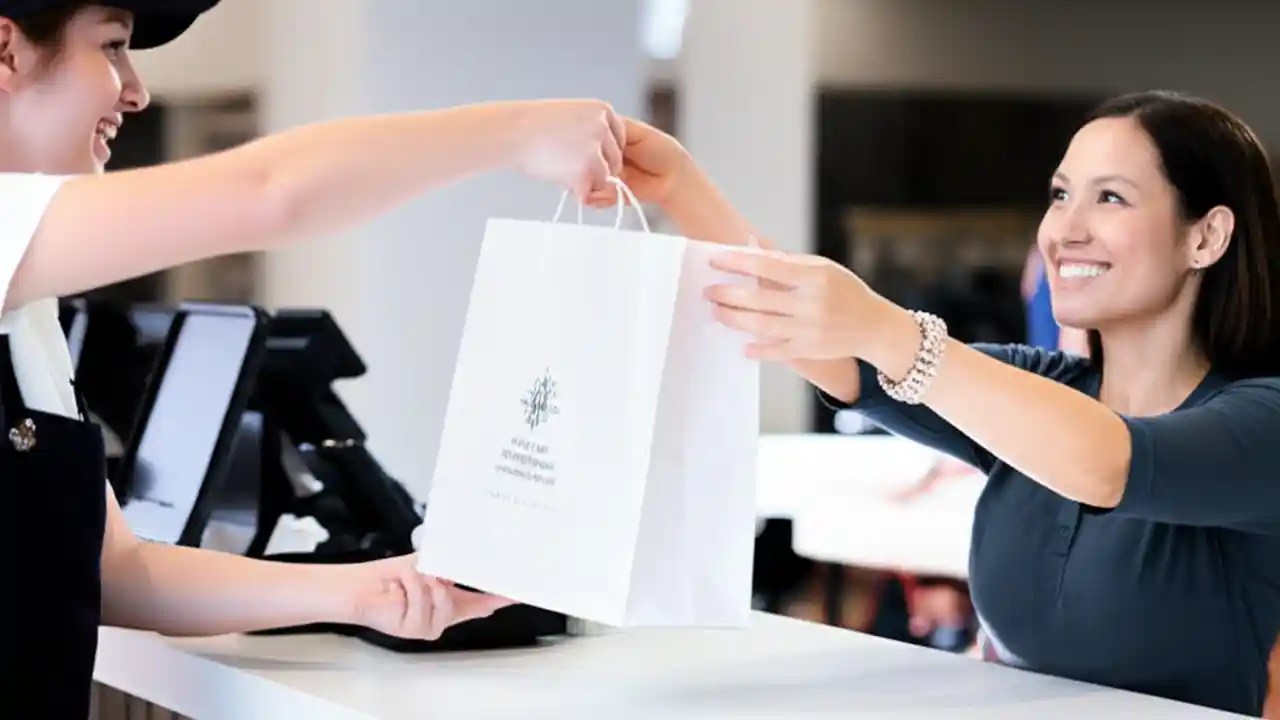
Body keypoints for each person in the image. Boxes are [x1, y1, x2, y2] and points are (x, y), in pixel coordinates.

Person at [0, 2, 629, 716]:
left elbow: (117, 570)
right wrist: (520, 132)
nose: (136, 89)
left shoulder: (27, 308)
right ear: (6, 50)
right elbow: (269, 193)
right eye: (112, 47)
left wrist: (371, 591)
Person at [605, 91, 1280, 716]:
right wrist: (679, 186)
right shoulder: (1037, 389)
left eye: (1110, 198)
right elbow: (839, 350)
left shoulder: (1263, 420)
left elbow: (1107, 463)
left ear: (1206, 237)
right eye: (1060, 194)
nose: (1063, 229)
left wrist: (890, 329)